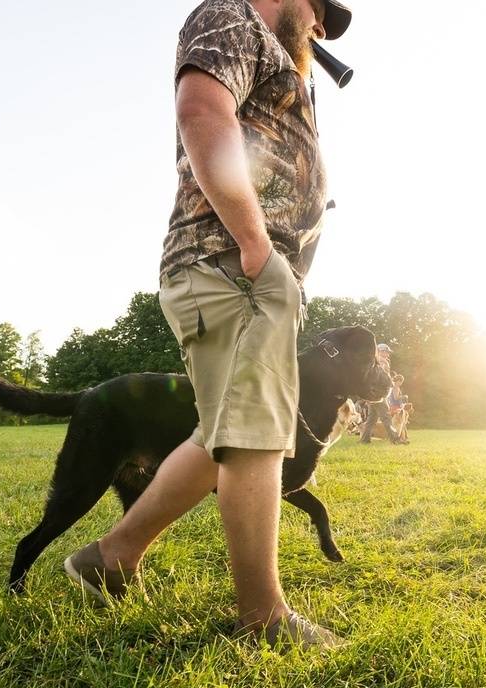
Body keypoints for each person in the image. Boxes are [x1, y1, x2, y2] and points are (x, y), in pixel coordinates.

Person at [63, 0, 354, 651]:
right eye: (319, 10)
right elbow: (201, 112)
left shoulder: (277, 54)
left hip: (253, 273)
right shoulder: (230, 16)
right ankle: (263, 620)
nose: (323, 27)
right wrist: (255, 244)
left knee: (220, 436)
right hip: (231, 264)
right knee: (254, 436)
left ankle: (111, 560)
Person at [360, 343, 405, 444]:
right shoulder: (381, 361)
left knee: (371, 419)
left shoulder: (373, 361)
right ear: (380, 351)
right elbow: (381, 376)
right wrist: (390, 383)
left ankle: (364, 439)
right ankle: (395, 439)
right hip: (379, 393)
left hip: (373, 393)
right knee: (386, 416)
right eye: (386, 352)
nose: (388, 354)